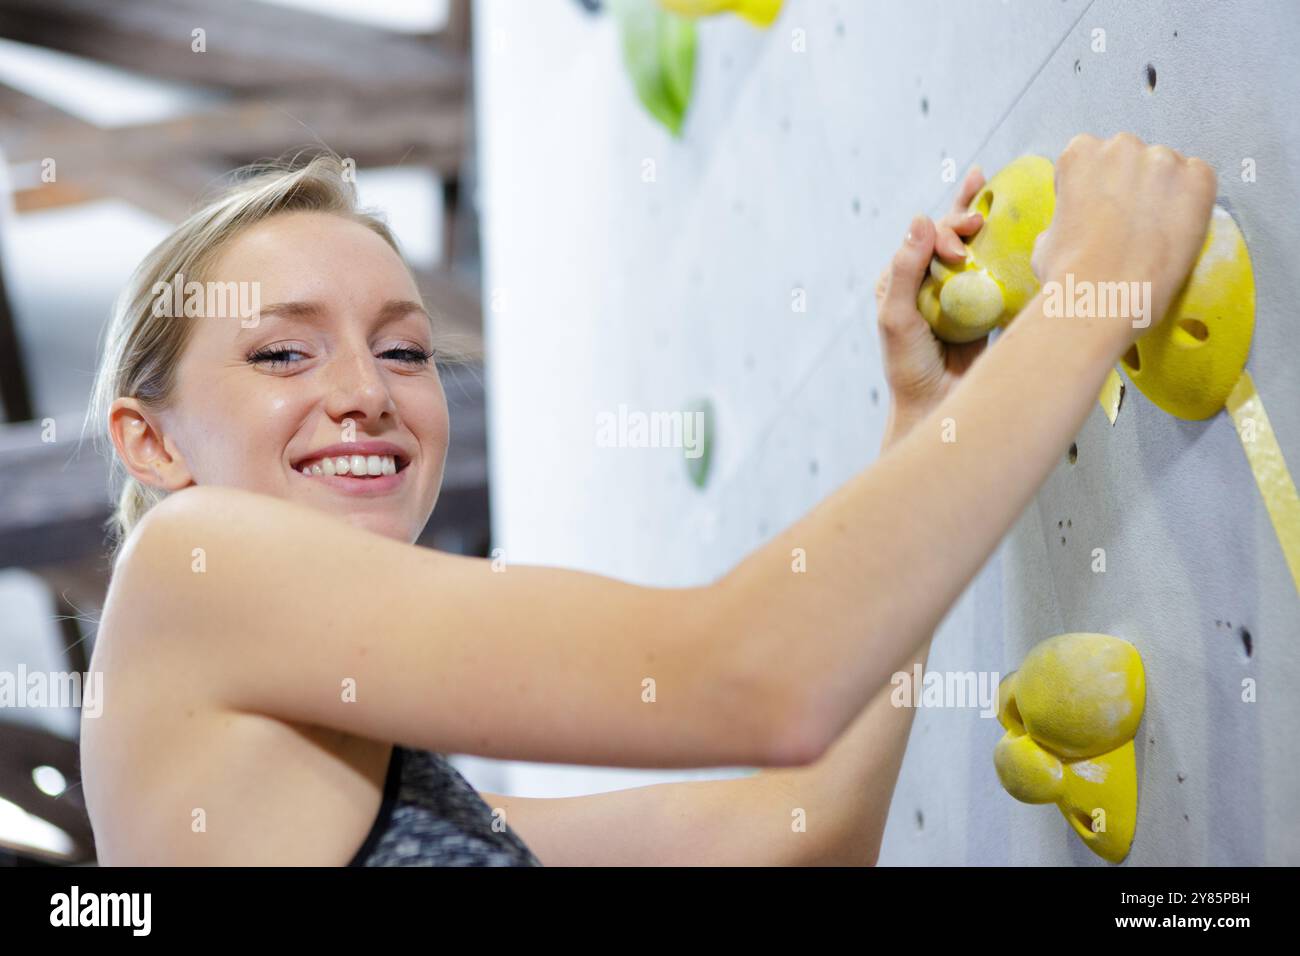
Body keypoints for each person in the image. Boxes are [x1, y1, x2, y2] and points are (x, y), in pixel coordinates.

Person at [78, 133, 1215, 865]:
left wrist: (928, 418)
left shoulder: (389, 798)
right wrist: (1099, 278)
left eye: (406, 350)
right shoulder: (196, 564)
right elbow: (759, 678)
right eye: (282, 355)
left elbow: (801, 838)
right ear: (152, 441)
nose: (365, 393)